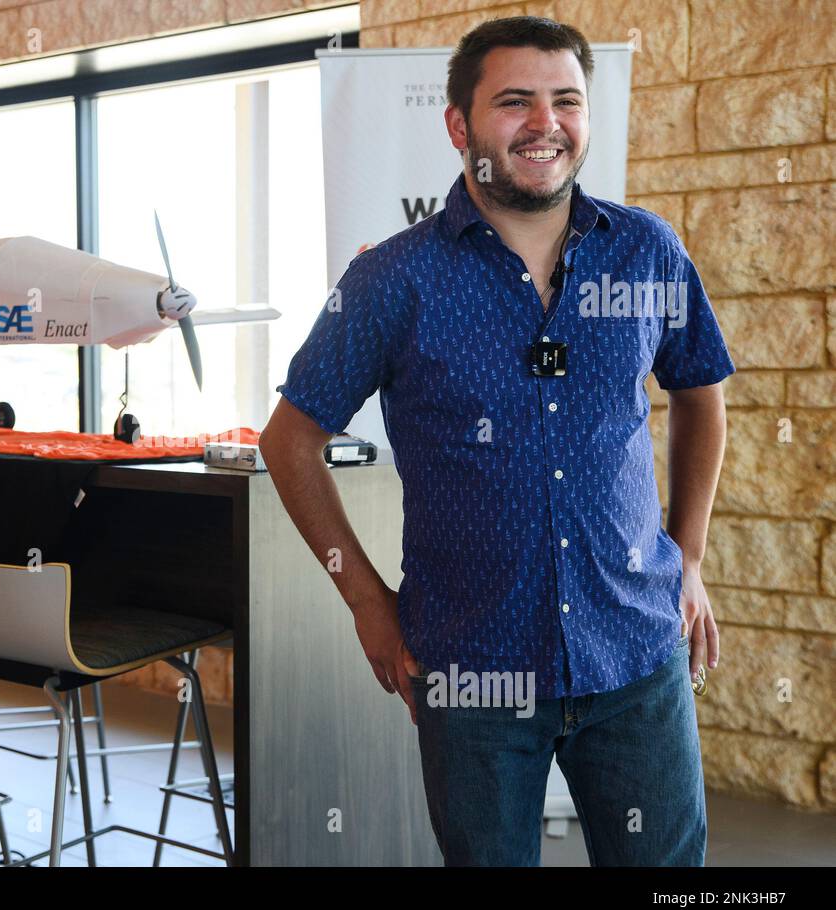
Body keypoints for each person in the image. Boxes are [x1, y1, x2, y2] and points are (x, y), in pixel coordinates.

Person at [259, 15, 734, 866]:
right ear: (459, 125)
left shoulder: (646, 252)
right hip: (472, 672)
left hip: (635, 653)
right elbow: (290, 442)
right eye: (515, 102)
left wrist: (688, 556)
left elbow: (700, 391)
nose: (545, 123)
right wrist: (369, 603)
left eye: (566, 101)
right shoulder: (392, 279)